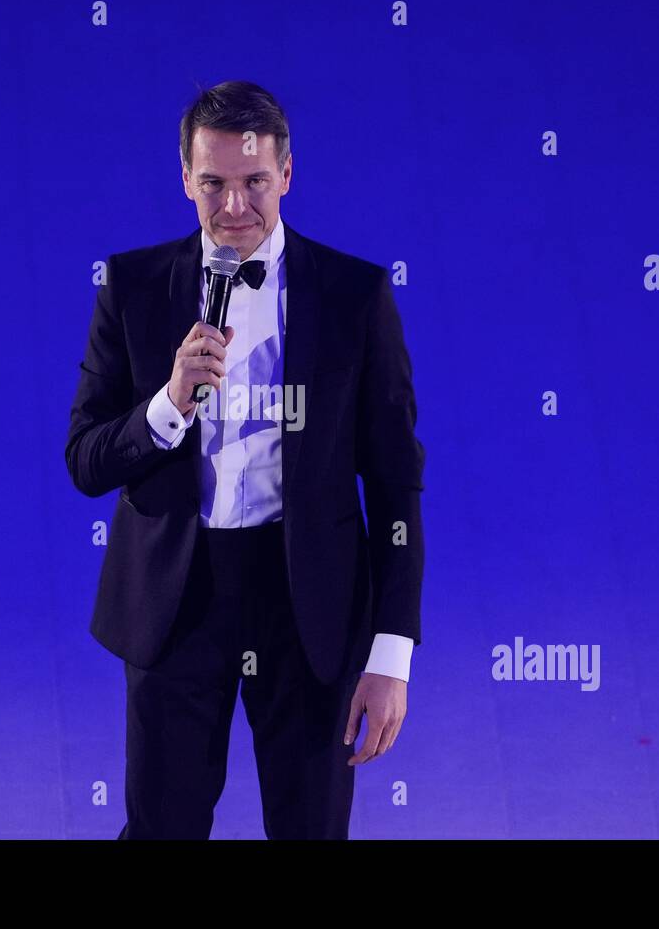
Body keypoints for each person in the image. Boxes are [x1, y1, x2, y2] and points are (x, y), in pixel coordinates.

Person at [65, 80, 425, 839]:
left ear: (287, 175)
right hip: (176, 599)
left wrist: (391, 652)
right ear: (185, 180)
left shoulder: (355, 295)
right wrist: (167, 404)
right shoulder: (129, 289)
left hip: (308, 603)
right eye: (214, 184)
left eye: (255, 182)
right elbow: (87, 461)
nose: (234, 207)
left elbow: (394, 482)